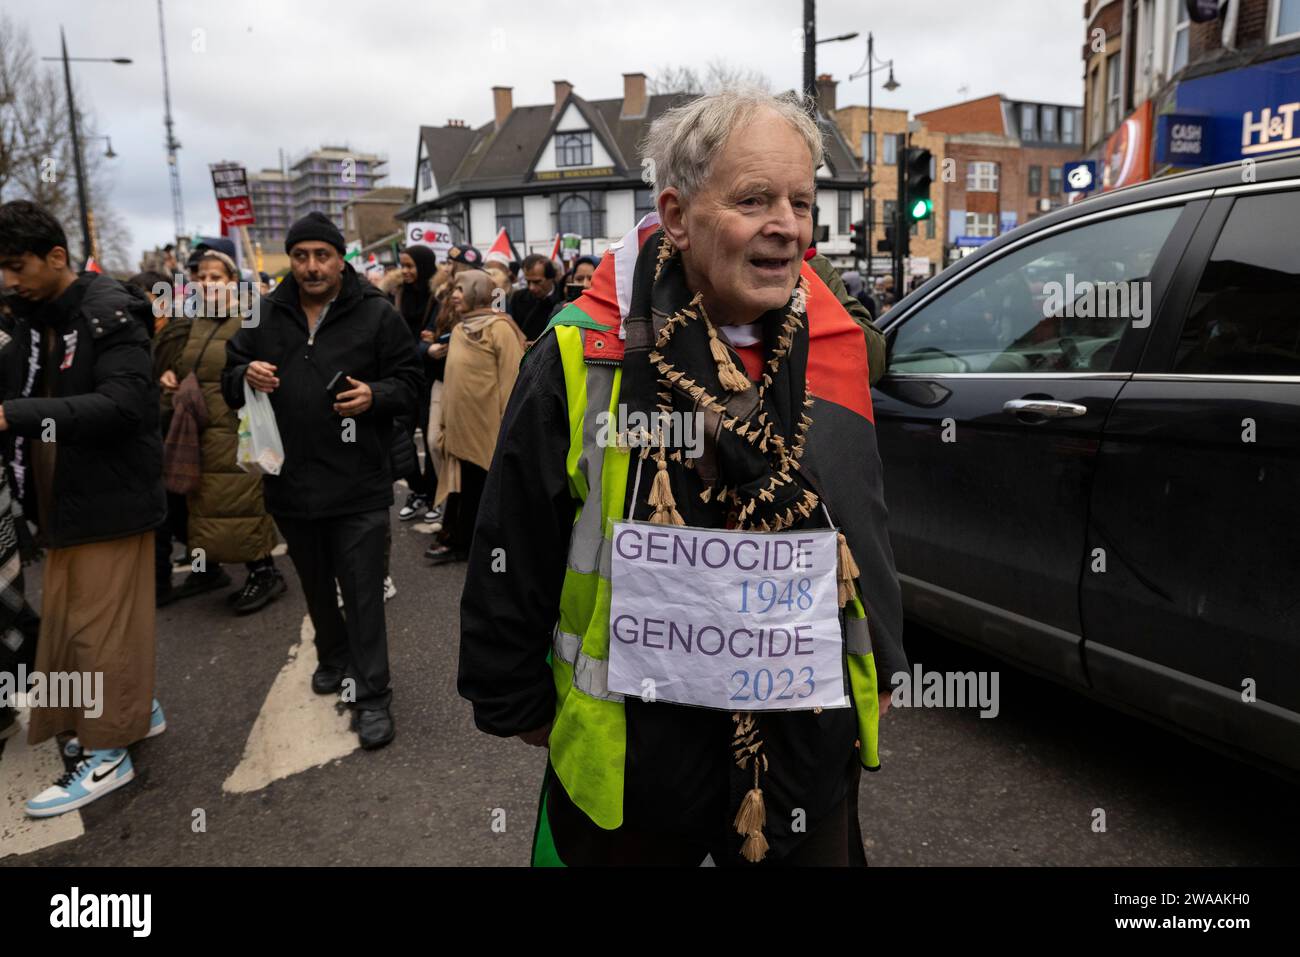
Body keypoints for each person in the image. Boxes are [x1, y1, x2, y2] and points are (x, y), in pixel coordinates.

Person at [458, 89, 905, 866]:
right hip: (638, 771)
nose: (788, 224)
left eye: (801, 201)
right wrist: (511, 692)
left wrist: (887, 655)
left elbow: (861, 515)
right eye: (754, 198)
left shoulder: (833, 341)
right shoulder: (580, 350)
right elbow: (515, 531)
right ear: (674, 213)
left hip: (800, 760)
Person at [222, 212, 422, 750]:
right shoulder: (262, 314)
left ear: (340, 259)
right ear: (291, 259)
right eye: (302, 255)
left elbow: (412, 383)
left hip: (358, 483)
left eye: (322, 255)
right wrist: (244, 375)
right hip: (290, 482)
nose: (311, 266)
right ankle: (333, 656)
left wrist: (374, 396)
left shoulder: (377, 315)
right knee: (313, 582)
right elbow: (227, 376)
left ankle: (374, 695)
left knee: (362, 592)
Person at [0, 200, 168, 816]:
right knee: (79, 628)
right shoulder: (33, 314)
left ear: (57, 257)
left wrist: (13, 416)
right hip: (63, 504)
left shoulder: (109, 312)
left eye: (16, 266)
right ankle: (130, 708)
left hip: (110, 502)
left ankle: (107, 753)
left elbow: (127, 407)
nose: (8, 280)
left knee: (99, 632)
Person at [157, 250, 286, 613]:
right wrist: (173, 378)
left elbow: (269, 365)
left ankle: (265, 572)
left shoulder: (252, 316)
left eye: (216, 277)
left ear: (233, 282)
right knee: (201, 506)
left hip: (237, 428)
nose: (207, 283)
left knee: (240, 504)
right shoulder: (195, 320)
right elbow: (188, 366)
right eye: (201, 277)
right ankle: (206, 570)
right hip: (199, 429)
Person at [425, 270, 524, 565]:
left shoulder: (500, 328)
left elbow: (511, 380)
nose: (454, 293)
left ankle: (477, 545)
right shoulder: (459, 328)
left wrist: (509, 427)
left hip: (488, 429)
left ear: (479, 291)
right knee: (462, 486)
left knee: (482, 488)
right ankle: (458, 539)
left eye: (461, 288)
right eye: (454, 287)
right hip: (459, 427)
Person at [392, 245, 439, 522]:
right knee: (400, 437)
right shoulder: (396, 294)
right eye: (403, 265)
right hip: (402, 376)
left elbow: (439, 335)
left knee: (431, 439)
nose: (406, 271)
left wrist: (428, 344)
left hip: (430, 377)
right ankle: (418, 489)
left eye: (411, 266)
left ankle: (433, 495)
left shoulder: (439, 296)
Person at [509, 253, 564, 343]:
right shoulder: (518, 298)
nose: (531, 287)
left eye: (537, 282)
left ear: (550, 278)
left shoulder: (563, 299)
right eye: (528, 281)